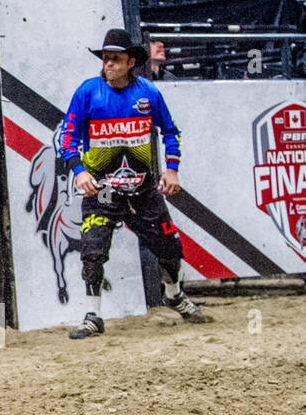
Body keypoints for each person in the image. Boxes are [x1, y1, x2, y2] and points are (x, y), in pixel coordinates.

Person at [60, 29, 208, 339]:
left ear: (130, 62)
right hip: (101, 191)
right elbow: (68, 136)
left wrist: (173, 170)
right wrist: (79, 171)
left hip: (144, 191)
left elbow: (171, 132)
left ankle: (173, 294)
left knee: (171, 247)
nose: (108, 65)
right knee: (93, 249)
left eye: (115, 59)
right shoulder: (87, 92)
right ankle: (93, 315)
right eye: (105, 59)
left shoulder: (149, 93)